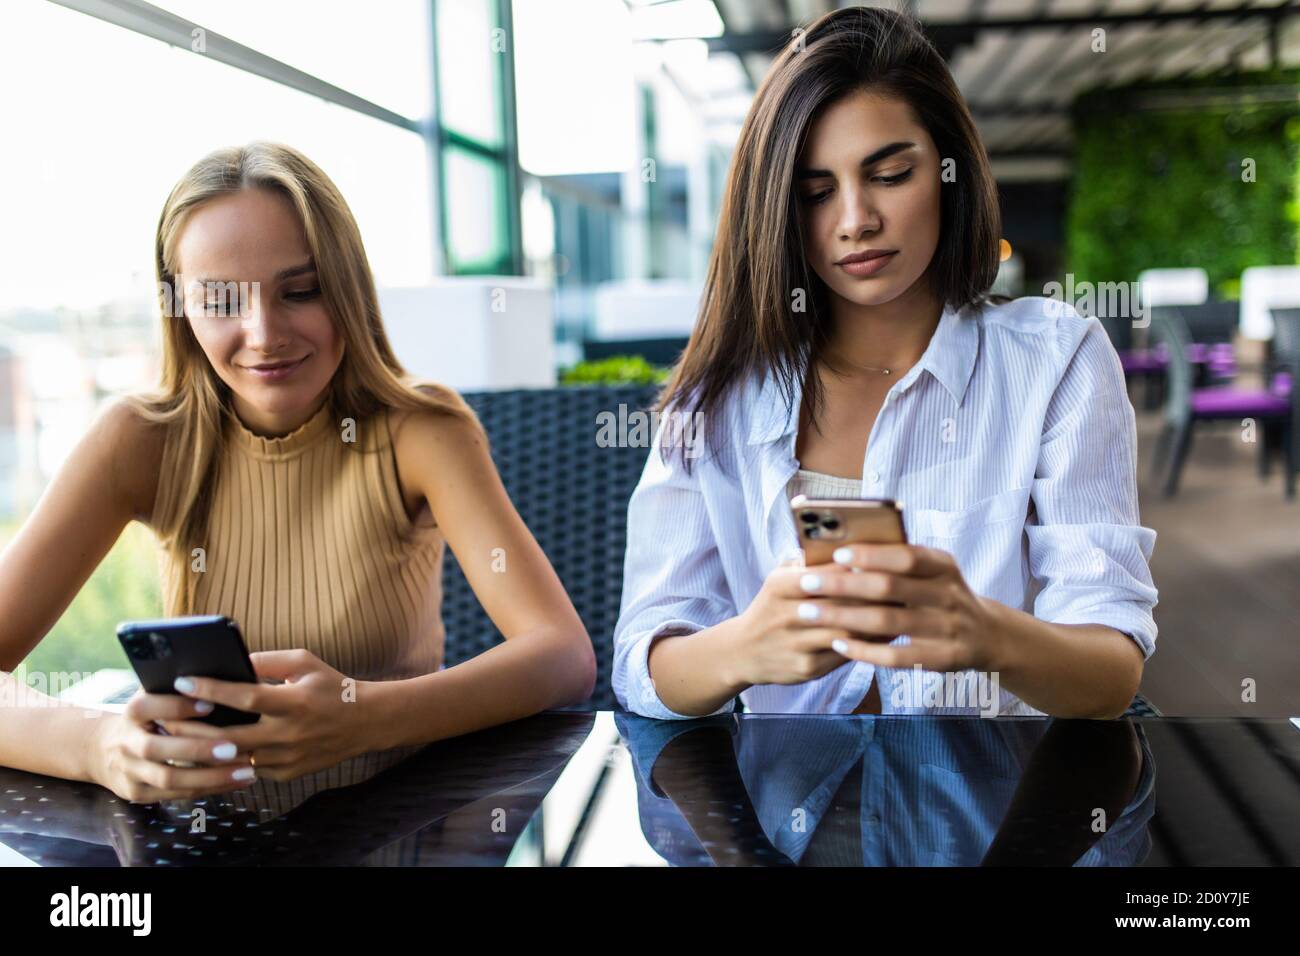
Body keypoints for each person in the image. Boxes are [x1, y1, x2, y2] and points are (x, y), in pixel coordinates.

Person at [0, 142, 595, 803]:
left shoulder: (422, 431)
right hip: (208, 841)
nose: (263, 334)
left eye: (301, 291)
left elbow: (562, 655)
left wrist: (362, 717)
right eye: (221, 301)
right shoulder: (141, 440)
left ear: (346, 286)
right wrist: (96, 744)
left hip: (389, 829)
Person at [612, 6, 1158, 720]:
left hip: (988, 809)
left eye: (891, 174)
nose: (854, 219)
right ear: (777, 209)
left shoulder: (1055, 361)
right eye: (814, 193)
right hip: (780, 819)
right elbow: (641, 666)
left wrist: (989, 635)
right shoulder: (717, 399)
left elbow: (1112, 673)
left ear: (948, 172)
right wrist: (744, 648)